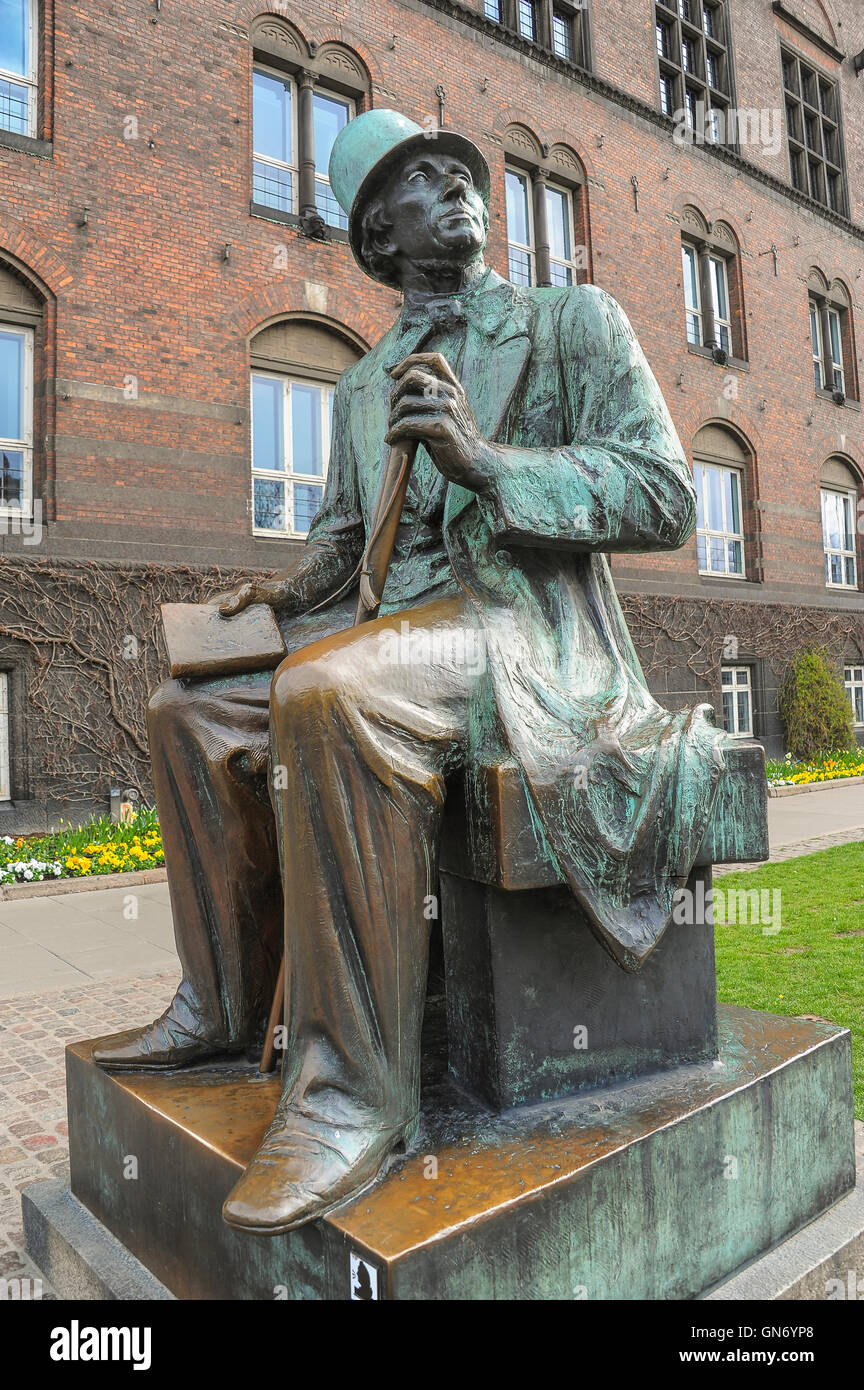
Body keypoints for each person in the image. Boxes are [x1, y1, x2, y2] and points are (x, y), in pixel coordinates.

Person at [95, 110, 726, 1234]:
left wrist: (489, 463)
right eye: (420, 182)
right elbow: (350, 538)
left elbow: (663, 494)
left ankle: (352, 1099)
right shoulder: (359, 383)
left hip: (521, 633)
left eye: (459, 174)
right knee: (185, 709)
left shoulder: (571, 321)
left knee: (330, 694)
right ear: (379, 235)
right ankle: (225, 1009)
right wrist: (282, 596)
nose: (456, 189)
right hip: (398, 624)